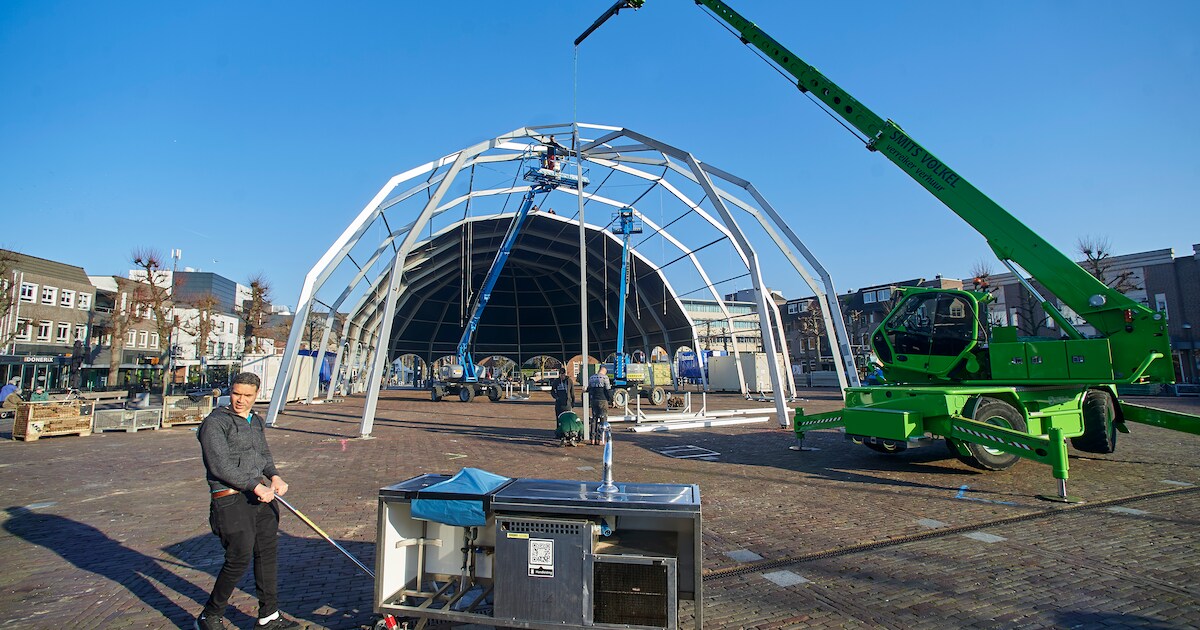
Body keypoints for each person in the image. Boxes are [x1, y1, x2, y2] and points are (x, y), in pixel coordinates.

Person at [195, 372, 299, 630]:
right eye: (236, 393)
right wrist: (255, 485)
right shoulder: (215, 423)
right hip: (230, 499)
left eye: (247, 395)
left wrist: (274, 476)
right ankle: (210, 616)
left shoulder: (255, 421)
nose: (240, 400)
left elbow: (262, 454)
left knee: (266, 554)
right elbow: (220, 465)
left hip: (260, 498)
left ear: (256, 395)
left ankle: (269, 616)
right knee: (238, 556)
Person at [587, 366, 613, 446]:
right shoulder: (605, 378)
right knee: (603, 420)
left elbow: (589, 389)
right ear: (604, 371)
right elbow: (608, 390)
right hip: (602, 400)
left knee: (594, 419)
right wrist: (611, 400)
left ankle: (592, 439)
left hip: (594, 400)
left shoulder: (592, 378)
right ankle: (600, 439)